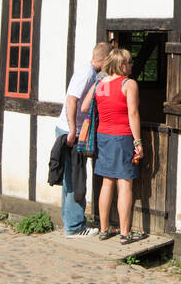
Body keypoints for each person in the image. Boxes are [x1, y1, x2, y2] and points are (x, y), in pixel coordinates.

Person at [82, 47, 145, 243]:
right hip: (122, 137)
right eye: (129, 62)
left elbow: (85, 107)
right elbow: (133, 114)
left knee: (107, 182)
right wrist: (138, 142)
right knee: (125, 183)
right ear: (122, 64)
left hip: (103, 137)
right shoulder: (128, 84)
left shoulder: (100, 83)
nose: (131, 65)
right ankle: (125, 233)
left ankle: (104, 229)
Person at [55, 41, 109, 236]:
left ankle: (73, 223)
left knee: (74, 177)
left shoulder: (92, 73)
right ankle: (75, 227)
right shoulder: (86, 74)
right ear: (104, 59)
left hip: (76, 131)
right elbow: (71, 100)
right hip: (72, 132)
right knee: (75, 178)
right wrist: (72, 130)